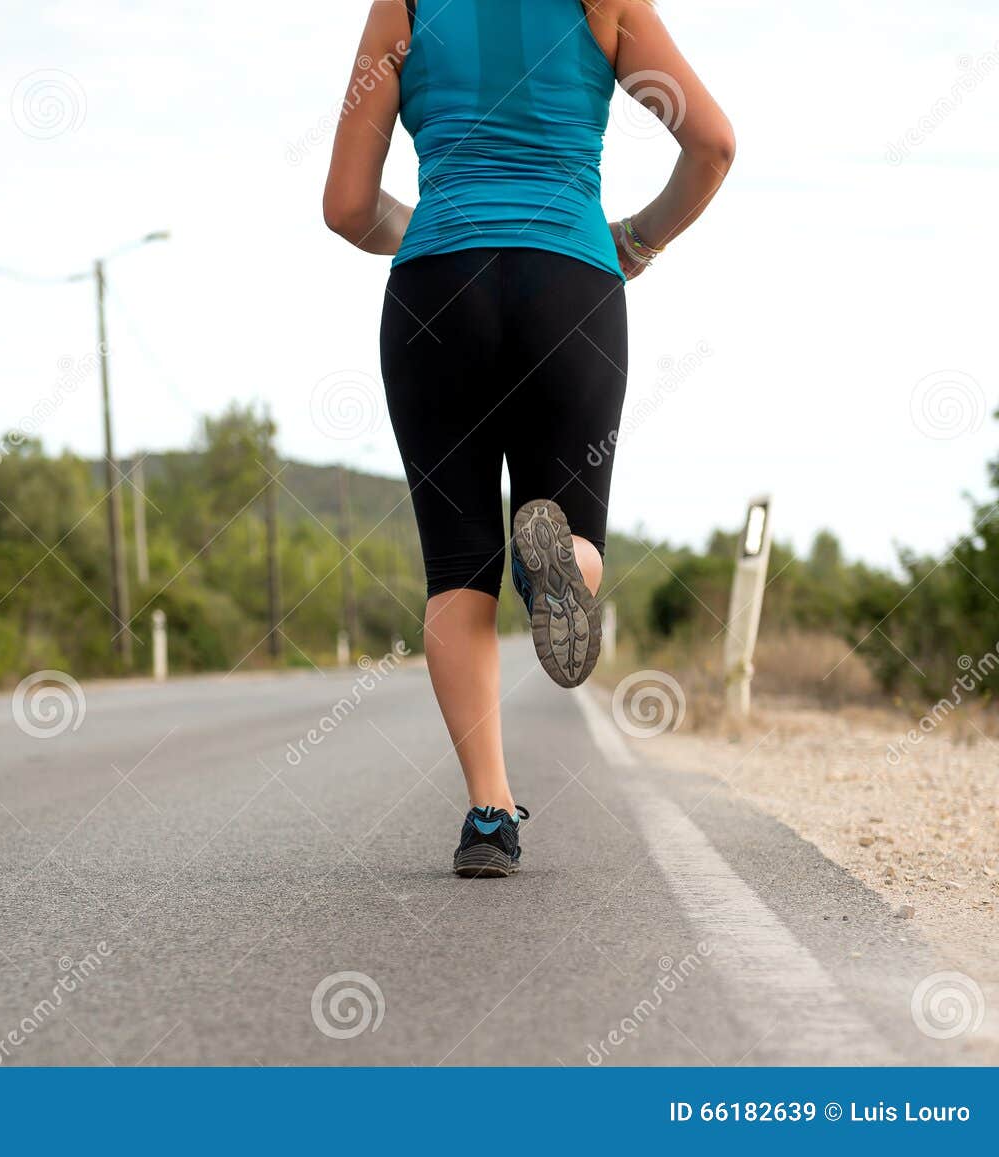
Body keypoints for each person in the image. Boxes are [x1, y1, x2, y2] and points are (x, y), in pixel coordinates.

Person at [323, 0, 734, 876]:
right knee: (574, 526)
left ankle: (487, 814)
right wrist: (639, 240)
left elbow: (346, 205)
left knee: (454, 574)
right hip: (570, 284)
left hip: (436, 292)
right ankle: (559, 569)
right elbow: (713, 146)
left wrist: (431, 234)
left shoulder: (402, 6)